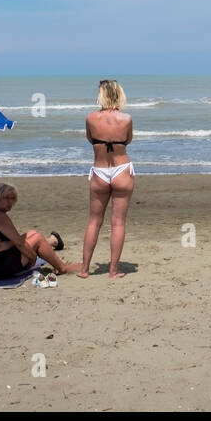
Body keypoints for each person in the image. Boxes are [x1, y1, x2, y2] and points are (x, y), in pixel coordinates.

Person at [79, 78, 134, 279]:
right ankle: (113, 270)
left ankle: (84, 270)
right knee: (118, 222)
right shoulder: (126, 119)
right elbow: (128, 140)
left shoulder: (91, 118)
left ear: (100, 95)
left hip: (100, 170)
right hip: (122, 169)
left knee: (94, 221)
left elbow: (90, 139)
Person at [0, 183, 81, 278]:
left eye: (12, 198)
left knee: (32, 233)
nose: (10, 202)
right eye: (6, 198)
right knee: (37, 238)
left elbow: (11, 241)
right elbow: (19, 243)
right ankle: (62, 268)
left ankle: (57, 260)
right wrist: (33, 257)